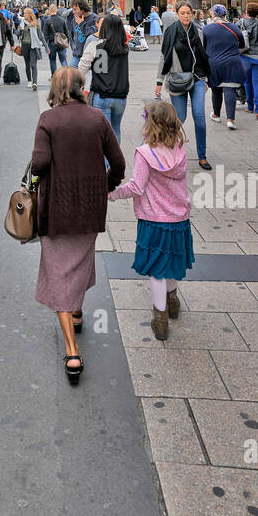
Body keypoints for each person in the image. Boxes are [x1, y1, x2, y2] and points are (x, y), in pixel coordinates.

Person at [31, 67, 124, 383]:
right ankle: (78, 309)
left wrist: (33, 178)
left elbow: (41, 163)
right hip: (88, 207)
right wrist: (106, 186)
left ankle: (72, 351)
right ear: (83, 89)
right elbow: (119, 163)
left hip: (56, 207)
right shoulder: (97, 118)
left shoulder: (48, 120)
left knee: (58, 271)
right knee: (81, 262)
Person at [108, 101, 193, 341]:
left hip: (154, 219)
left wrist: (112, 194)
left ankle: (160, 318)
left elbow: (136, 186)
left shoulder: (145, 153)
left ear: (149, 124)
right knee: (174, 260)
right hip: (178, 217)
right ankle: (173, 299)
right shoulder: (179, 148)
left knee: (157, 270)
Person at [155, 0, 211, 170]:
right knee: (179, 118)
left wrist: (206, 78)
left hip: (197, 78)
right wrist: (159, 81)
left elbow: (203, 55)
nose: (186, 16)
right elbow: (164, 57)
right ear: (177, 14)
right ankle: (168, 151)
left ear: (192, 14)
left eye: (189, 13)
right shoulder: (170, 32)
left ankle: (202, 156)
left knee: (199, 116)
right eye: (183, 13)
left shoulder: (199, 32)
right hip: (176, 79)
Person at [78, 12, 129, 141]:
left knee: (104, 134)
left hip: (101, 94)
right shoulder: (124, 49)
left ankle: (106, 161)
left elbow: (81, 69)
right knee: (116, 129)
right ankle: (115, 159)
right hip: (121, 95)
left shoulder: (95, 46)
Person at [202, 3, 247, 129]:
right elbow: (242, 45)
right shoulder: (234, 28)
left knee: (216, 89)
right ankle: (230, 120)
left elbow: (203, 47)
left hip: (214, 64)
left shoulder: (206, 29)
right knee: (230, 89)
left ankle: (216, 115)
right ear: (225, 14)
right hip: (232, 63)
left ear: (214, 15)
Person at [65, 0, 97, 68]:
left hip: (89, 55)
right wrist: (74, 47)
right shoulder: (74, 19)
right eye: (73, 9)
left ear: (82, 9)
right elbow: (72, 34)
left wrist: (82, 23)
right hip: (77, 55)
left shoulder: (94, 18)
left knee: (87, 77)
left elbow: (93, 34)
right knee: (72, 75)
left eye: (75, 9)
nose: (73, 12)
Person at [19, 8, 44, 90]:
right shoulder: (22, 23)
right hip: (25, 45)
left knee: (33, 64)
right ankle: (29, 80)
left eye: (26, 13)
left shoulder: (35, 24)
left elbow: (40, 36)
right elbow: (17, 34)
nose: (24, 15)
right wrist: (19, 30)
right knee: (27, 64)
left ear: (30, 14)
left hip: (33, 46)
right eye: (24, 13)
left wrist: (46, 48)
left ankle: (35, 83)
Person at [42, 3, 69, 74]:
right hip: (61, 43)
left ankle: (54, 76)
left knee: (52, 60)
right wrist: (67, 42)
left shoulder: (47, 21)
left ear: (49, 11)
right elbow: (66, 32)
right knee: (63, 60)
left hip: (52, 43)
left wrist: (45, 45)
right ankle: (66, 75)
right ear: (56, 10)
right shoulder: (62, 20)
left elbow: (45, 34)